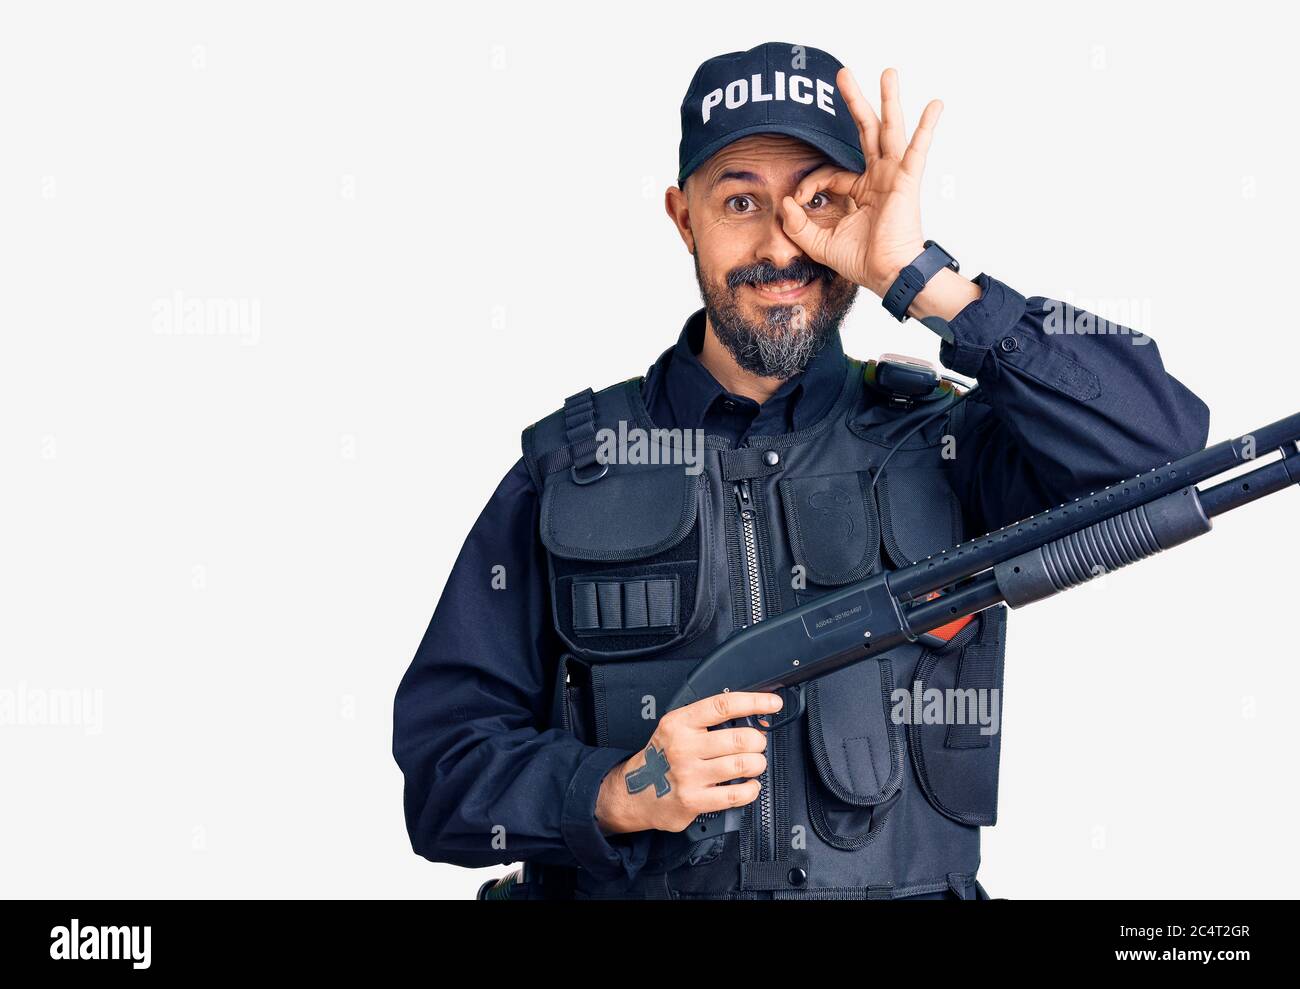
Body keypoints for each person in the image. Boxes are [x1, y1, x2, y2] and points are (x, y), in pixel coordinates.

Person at [392, 41, 1209, 899]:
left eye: (820, 199)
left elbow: (1164, 447)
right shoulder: (568, 467)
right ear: (683, 218)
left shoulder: (949, 442)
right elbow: (444, 773)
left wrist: (924, 279)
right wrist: (618, 792)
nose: (783, 243)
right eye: (740, 199)